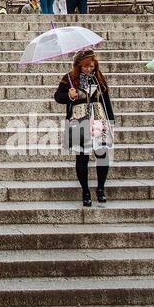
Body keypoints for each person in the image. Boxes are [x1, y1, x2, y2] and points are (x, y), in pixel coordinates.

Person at [54, 49, 115, 205]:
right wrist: (69, 96)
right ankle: (85, 191)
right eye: (86, 66)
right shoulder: (69, 80)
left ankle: (100, 188)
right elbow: (58, 97)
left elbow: (106, 100)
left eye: (92, 66)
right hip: (78, 119)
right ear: (79, 65)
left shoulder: (99, 78)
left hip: (98, 118)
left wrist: (111, 121)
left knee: (102, 154)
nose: (89, 69)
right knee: (82, 157)